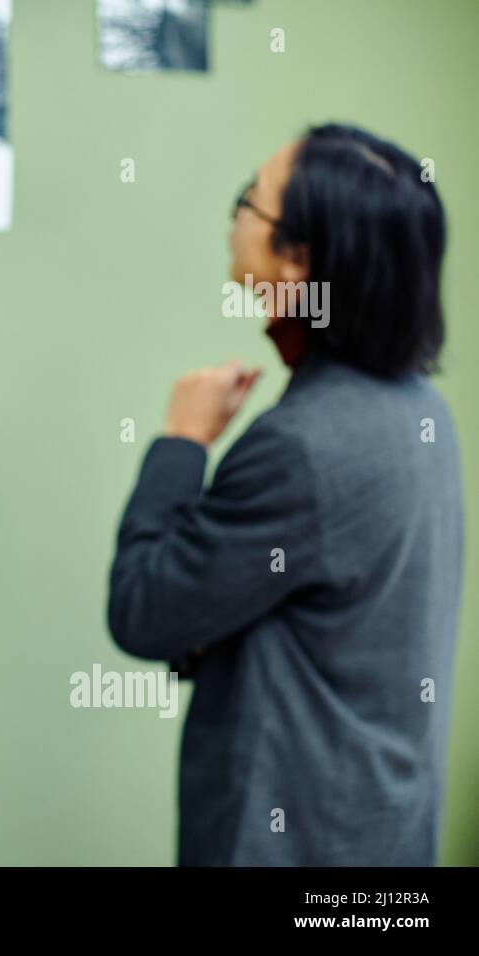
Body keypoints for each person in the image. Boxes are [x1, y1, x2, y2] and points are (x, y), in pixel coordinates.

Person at [108, 123, 462, 865]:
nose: (235, 219)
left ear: (297, 262)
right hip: (385, 835)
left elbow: (143, 611)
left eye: (249, 203)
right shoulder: (423, 413)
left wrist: (182, 440)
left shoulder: (300, 447)